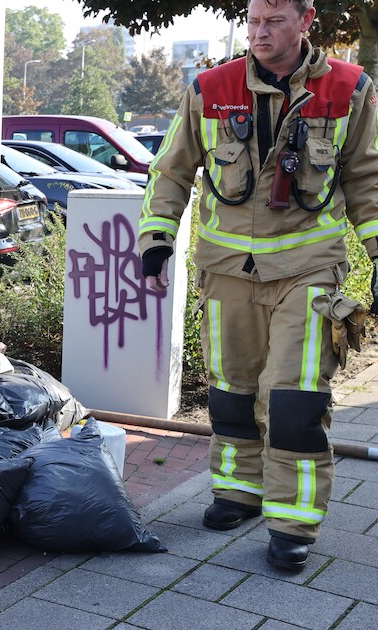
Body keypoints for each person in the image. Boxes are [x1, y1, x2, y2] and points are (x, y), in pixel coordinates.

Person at [138, 0, 378, 572]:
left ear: (306, 20)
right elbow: (170, 170)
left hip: (309, 267)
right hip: (227, 270)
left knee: (293, 399)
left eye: (274, 20)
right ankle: (237, 490)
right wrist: (156, 241)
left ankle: (293, 521)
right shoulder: (209, 87)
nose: (260, 32)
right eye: (253, 20)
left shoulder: (350, 88)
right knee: (231, 391)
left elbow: (368, 177)